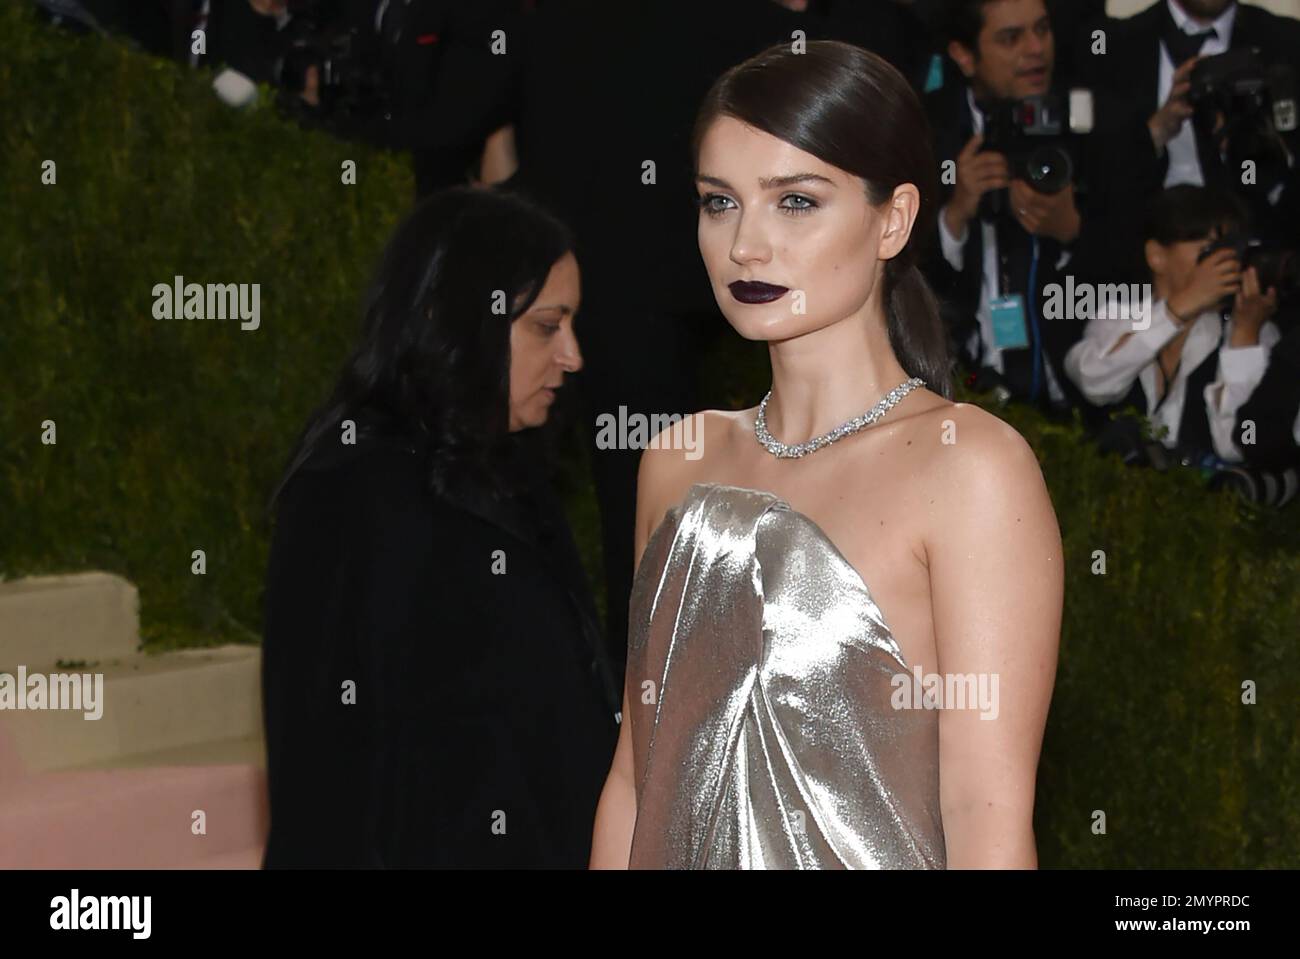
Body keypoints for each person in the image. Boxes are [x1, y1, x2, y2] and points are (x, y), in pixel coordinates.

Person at [589, 40, 1062, 869]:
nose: (746, 247)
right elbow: (637, 778)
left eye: (796, 202)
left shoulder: (971, 469)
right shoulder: (676, 457)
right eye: (718, 202)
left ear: (895, 219)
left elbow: (984, 814)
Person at [261, 186, 621, 868]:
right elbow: (328, 765)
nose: (573, 355)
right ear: (454, 319)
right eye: (547, 325)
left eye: (572, 324)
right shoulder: (351, 490)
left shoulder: (510, 469)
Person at [922, 0, 1100, 418]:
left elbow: (1129, 267)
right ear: (965, 56)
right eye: (1011, 38)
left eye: (1042, 30)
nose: (1036, 49)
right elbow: (901, 275)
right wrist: (957, 214)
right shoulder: (927, 129)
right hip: (957, 389)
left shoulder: (1085, 119)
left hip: (1074, 389)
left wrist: (1071, 230)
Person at [1064, 184, 1280, 466]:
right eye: (1209, 250)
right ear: (1157, 256)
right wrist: (1176, 311)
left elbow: (1239, 445)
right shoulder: (1122, 315)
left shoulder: (1254, 332)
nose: (1225, 263)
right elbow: (1094, 382)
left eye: (1232, 252)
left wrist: (1244, 336)